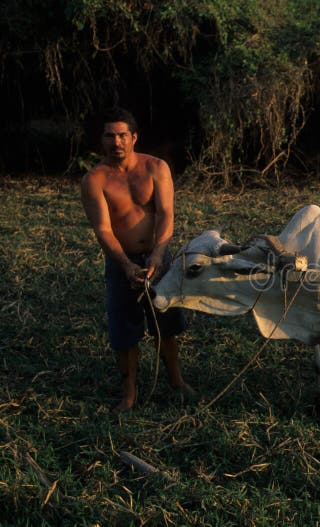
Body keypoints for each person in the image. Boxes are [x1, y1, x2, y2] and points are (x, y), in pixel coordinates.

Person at [81, 107, 194, 414]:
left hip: (158, 254)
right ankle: (129, 393)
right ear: (102, 140)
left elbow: (166, 214)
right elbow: (103, 229)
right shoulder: (95, 180)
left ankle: (176, 380)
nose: (116, 141)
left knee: (166, 322)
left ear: (133, 138)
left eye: (122, 135)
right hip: (122, 260)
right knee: (124, 328)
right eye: (109, 135)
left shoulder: (156, 168)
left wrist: (158, 254)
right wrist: (126, 265)